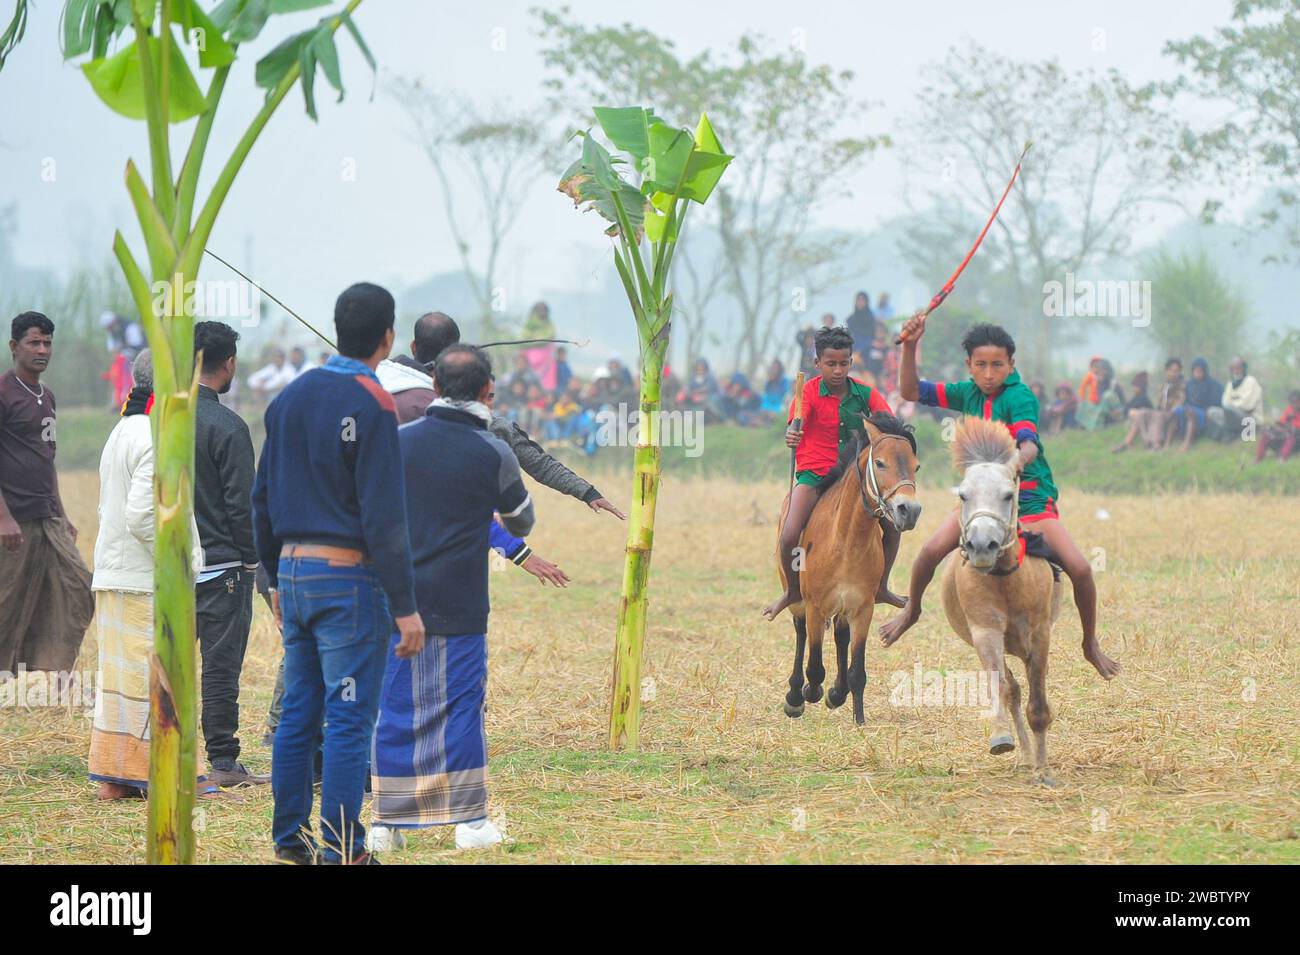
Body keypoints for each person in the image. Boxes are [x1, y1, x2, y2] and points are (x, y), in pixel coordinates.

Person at [253, 282, 427, 865]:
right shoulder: (373, 402)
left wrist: (274, 583)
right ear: (388, 337)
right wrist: (405, 606)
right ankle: (345, 850)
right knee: (350, 718)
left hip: (295, 577)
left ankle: (289, 842)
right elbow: (385, 515)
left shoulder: (287, 400)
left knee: (299, 713)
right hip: (348, 584)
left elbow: (260, 500)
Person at [879, 315, 1121, 681]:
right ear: (969, 367)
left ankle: (1090, 644)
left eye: (997, 365)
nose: (989, 373)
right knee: (928, 553)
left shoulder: (1020, 396)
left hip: (1030, 500)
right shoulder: (966, 393)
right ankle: (912, 611)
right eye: (981, 365)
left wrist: (1011, 466)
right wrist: (911, 346)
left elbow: (1029, 444)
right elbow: (912, 392)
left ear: (1011, 365)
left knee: (1082, 569)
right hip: (980, 502)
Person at [370, 345, 536, 851]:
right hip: (462, 601)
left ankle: (386, 826)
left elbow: (371, 512)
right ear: (487, 394)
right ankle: (470, 825)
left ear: (436, 389)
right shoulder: (494, 451)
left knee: (395, 704)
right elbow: (522, 519)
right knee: (462, 704)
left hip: (399, 599)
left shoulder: (396, 444)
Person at [88, 351, 213, 799]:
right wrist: (180, 565)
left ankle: (116, 781)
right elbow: (143, 517)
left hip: (117, 577)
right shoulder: (155, 437)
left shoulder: (124, 429)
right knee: (161, 676)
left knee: (122, 684)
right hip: (147, 582)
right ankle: (173, 779)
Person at [374, 311, 625, 517]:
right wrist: (587, 492)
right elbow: (535, 462)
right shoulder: (464, 414)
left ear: (414, 346)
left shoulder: (370, 387)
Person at [762, 326, 901, 621]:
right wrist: (792, 434)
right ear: (818, 364)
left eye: (844, 363)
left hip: (854, 478)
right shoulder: (808, 392)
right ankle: (792, 591)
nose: (838, 370)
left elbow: (889, 421)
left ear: (851, 362)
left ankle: (882, 586)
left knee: (892, 527)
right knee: (789, 535)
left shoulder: (865, 393)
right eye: (831, 364)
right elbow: (795, 424)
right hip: (815, 472)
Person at [0, 312, 94, 677]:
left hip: (46, 516)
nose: (42, 350)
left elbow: (46, 459)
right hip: (13, 521)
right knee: (8, 601)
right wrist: (4, 517)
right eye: (34, 342)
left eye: (47, 343)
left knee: (77, 588)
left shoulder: (47, 396)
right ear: (14, 346)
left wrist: (62, 513)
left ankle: (43, 673)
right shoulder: (5, 392)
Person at [193, 321, 265, 788]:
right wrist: (253, 560)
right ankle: (223, 762)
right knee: (220, 669)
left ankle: (162, 754)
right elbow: (242, 506)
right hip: (224, 570)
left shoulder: (159, 420)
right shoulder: (229, 426)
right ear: (229, 363)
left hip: (169, 567)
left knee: (168, 662)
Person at [1114, 359, 1183, 452]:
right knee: (1142, 413)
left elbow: (1180, 402)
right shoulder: (1165, 385)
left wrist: (1167, 409)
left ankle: (1156, 444)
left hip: (1173, 413)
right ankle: (1127, 442)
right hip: (1161, 411)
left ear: (1179, 371)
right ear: (1167, 371)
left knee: (1158, 415)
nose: (1173, 373)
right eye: (1171, 370)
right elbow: (1160, 402)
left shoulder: (1182, 385)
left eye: (1176, 371)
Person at [1169, 357, 1221, 451]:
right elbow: (1187, 400)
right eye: (1195, 371)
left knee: (1191, 412)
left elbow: (1215, 402)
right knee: (1176, 411)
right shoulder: (1190, 384)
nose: (1197, 373)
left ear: (1204, 371)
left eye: (1200, 371)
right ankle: (1168, 442)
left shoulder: (1213, 385)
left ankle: (1188, 442)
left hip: (1204, 411)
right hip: (1189, 408)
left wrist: (1203, 409)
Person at [1213, 357, 1263, 441]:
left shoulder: (1251, 381)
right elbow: (1224, 402)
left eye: (1238, 368)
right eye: (1233, 369)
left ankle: (1233, 433)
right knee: (1212, 411)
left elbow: (1247, 405)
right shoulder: (1230, 383)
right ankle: (1230, 433)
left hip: (1250, 419)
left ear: (1244, 368)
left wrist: (1232, 404)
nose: (1236, 371)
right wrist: (1235, 403)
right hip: (1233, 416)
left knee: (1229, 410)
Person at [1256, 389, 1300, 463]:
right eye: (1292, 402)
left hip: (1296, 438)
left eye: (1296, 402)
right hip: (1285, 434)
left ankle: (1282, 457)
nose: (1294, 404)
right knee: (1267, 431)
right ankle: (1259, 458)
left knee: (1293, 432)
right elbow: (1282, 421)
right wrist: (1282, 423)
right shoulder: (1289, 409)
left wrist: (1293, 423)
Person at [845, 291, 875, 363]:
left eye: (863, 300)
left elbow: (871, 336)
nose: (861, 302)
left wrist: (860, 351)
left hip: (868, 350)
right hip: (853, 351)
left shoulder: (871, 318)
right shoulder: (850, 319)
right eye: (859, 300)